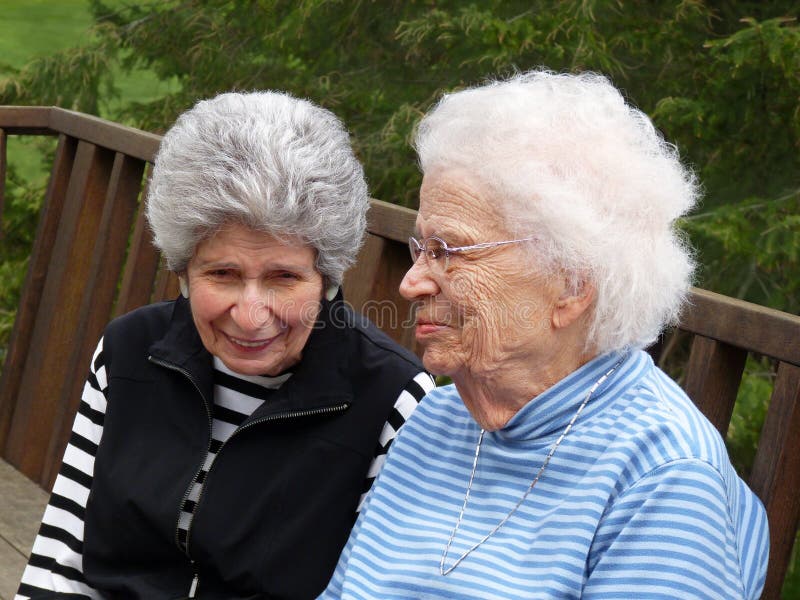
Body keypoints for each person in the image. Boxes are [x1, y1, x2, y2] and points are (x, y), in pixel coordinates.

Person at [320, 70, 769, 599]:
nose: (411, 281)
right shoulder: (434, 425)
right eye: (421, 247)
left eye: (449, 251)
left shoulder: (660, 475)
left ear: (571, 286)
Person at [17, 91, 434, 599]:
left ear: (326, 278)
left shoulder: (392, 397)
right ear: (184, 271)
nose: (251, 314)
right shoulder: (128, 352)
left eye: (283, 277)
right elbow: (62, 558)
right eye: (223, 274)